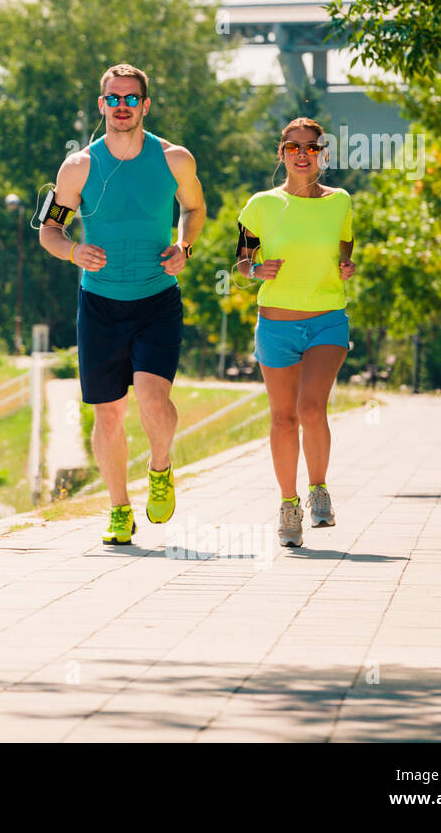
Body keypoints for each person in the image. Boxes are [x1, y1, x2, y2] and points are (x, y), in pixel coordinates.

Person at [38, 63, 206, 545]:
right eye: (113, 99)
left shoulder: (174, 159)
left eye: (131, 99)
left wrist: (185, 247)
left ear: (145, 105)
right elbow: (50, 230)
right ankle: (118, 510)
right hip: (100, 305)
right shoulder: (78, 167)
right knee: (107, 413)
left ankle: (160, 468)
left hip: (157, 298)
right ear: (101, 104)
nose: (122, 107)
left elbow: (194, 209)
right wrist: (72, 250)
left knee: (155, 402)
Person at [235, 118, 356, 547]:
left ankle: (318, 488)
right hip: (276, 324)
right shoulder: (260, 205)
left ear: (323, 152)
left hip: (327, 318)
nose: (302, 154)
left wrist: (347, 268)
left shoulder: (341, 202)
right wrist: (254, 268)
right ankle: (289, 505)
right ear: (281, 153)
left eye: (311, 147)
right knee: (283, 417)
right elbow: (240, 264)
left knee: (310, 408)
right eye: (293, 147)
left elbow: (345, 252)